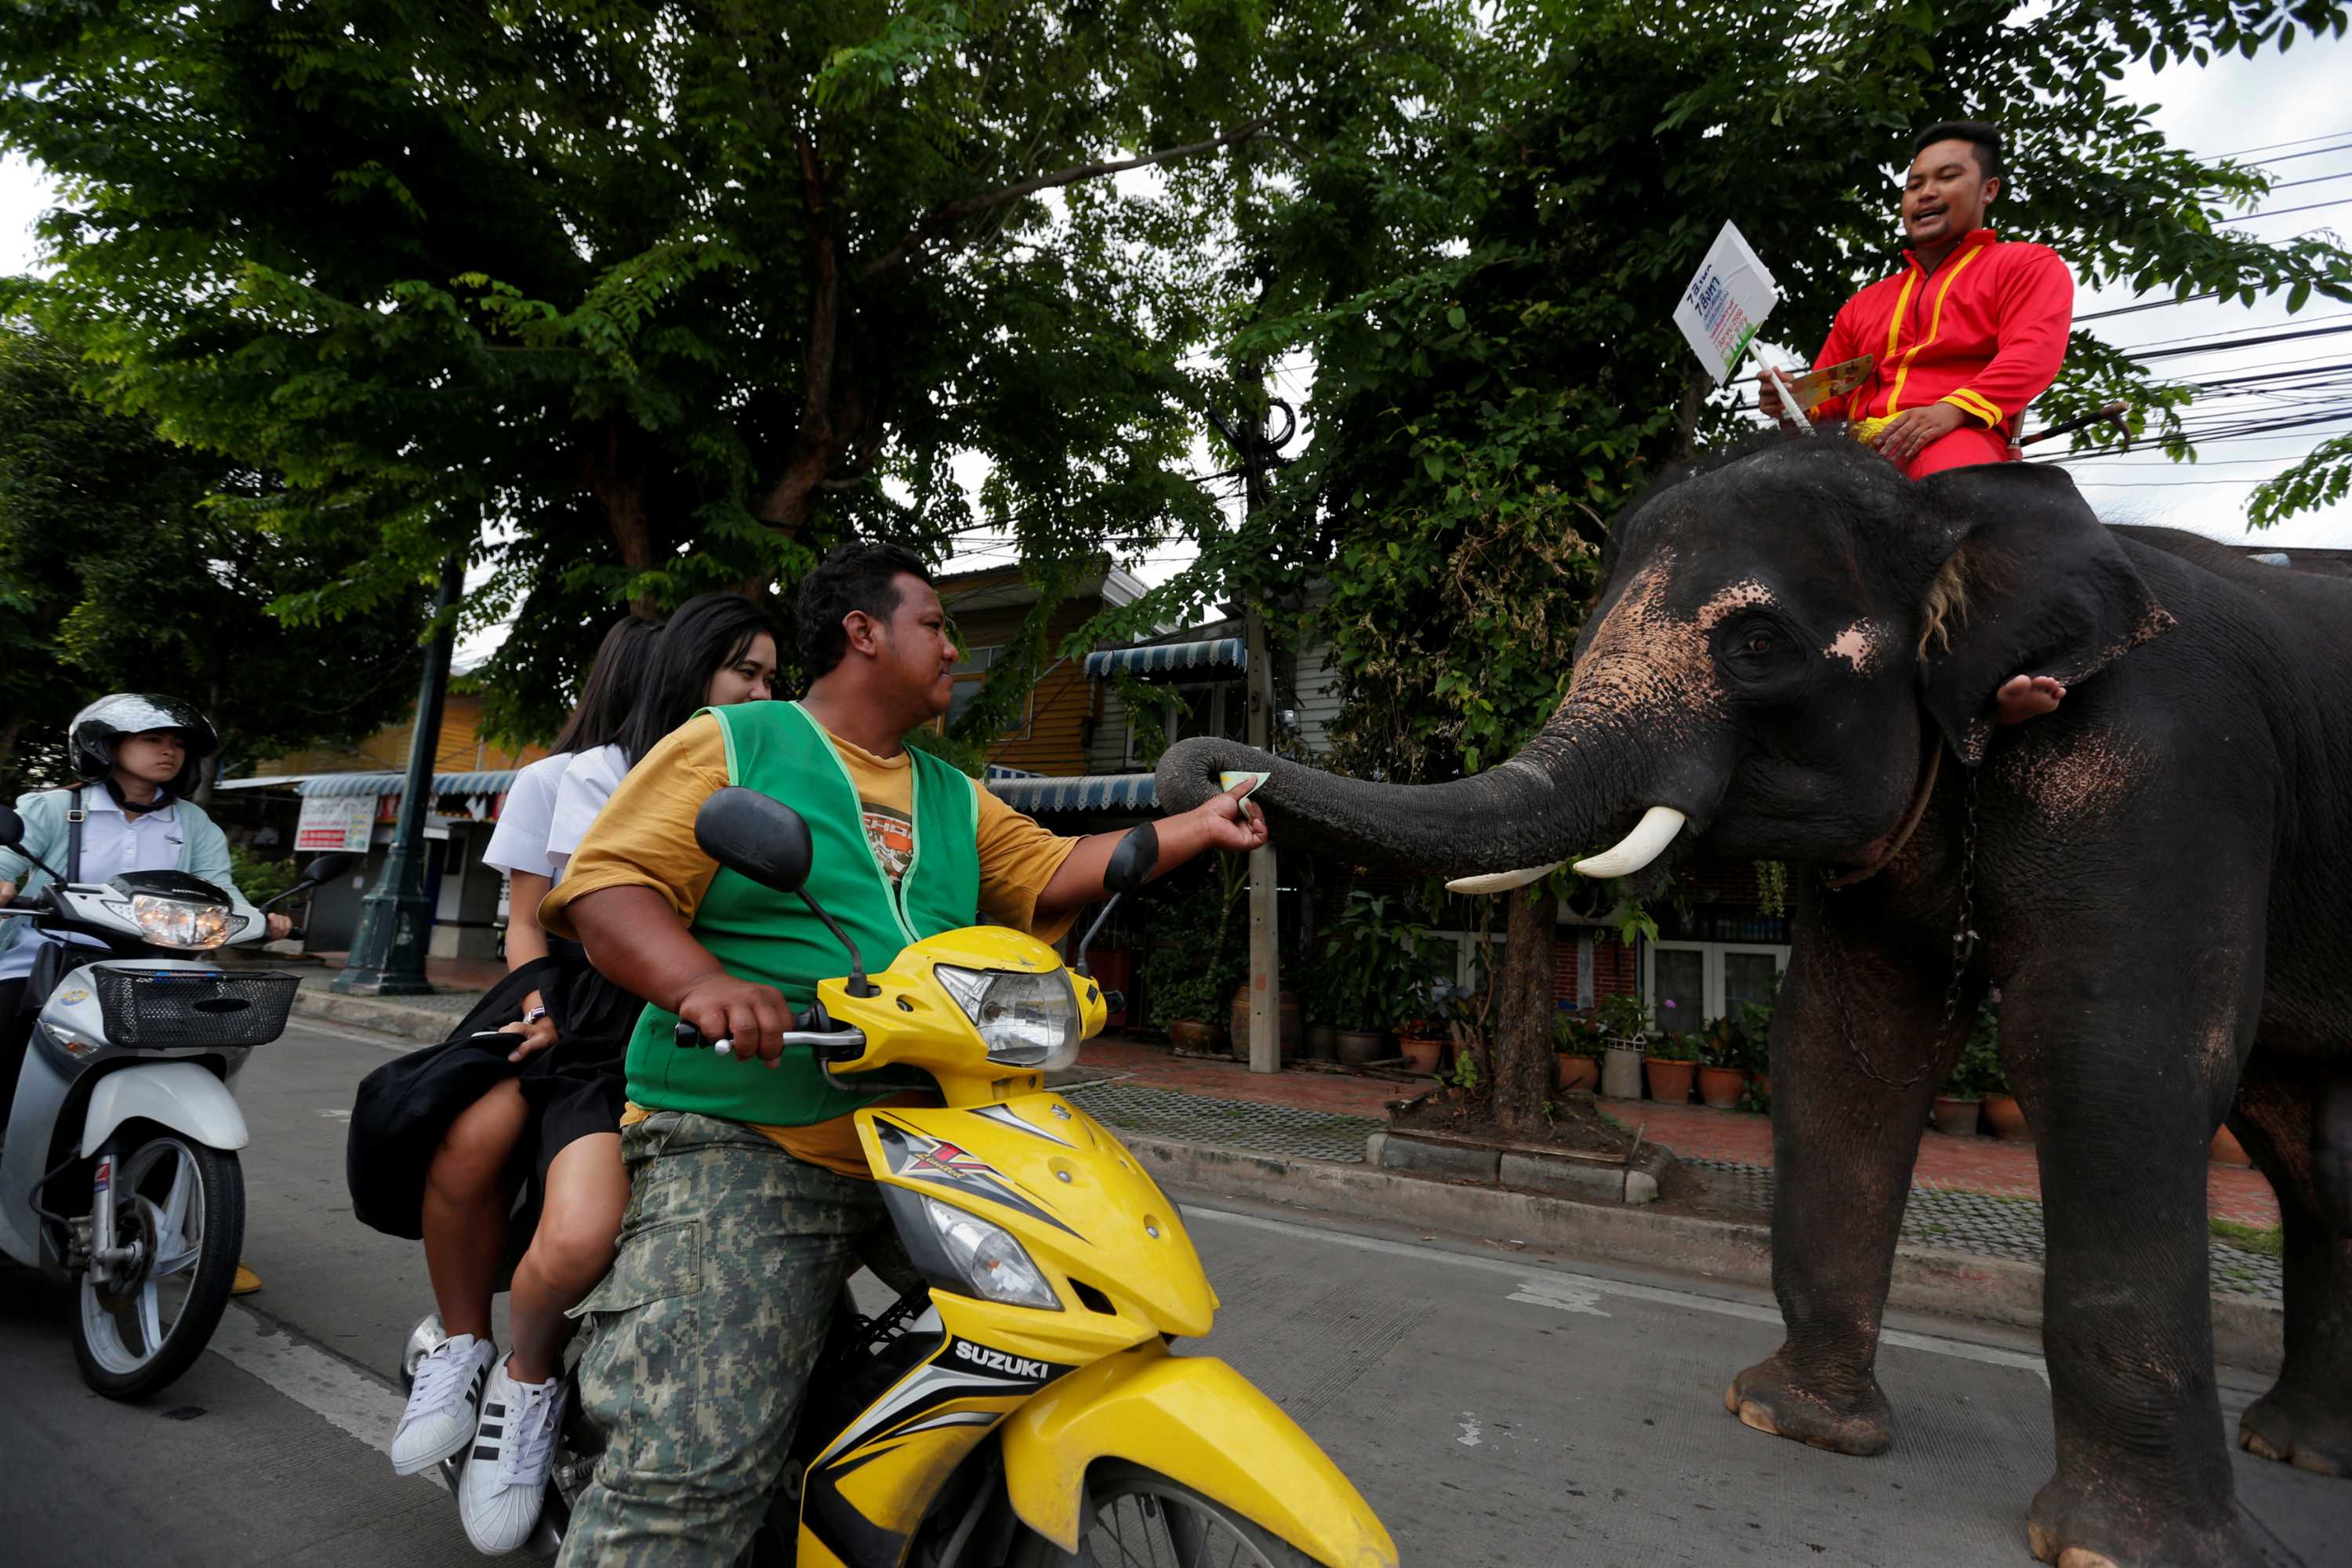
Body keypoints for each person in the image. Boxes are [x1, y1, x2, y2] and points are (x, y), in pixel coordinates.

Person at [538, 543, 1267, 1566]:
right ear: (862, 630)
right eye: (935, 624)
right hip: (744, 1135)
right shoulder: (737, 742)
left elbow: (1062, 871)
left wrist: (1195, 825)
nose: (955, 650)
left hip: (925, 1137)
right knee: (689, 1476)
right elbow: (609, 888)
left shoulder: (950, 793)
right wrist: (703, 985)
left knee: (1072, 1332)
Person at [373, 596, 782, 1557]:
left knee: (593, 1225)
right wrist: (532, 1006)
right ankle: (483, 1359)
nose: (768, 691)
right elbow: (531, 915)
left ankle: (528, 1367)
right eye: (748, 672)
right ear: (681, 675)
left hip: (698, 1020)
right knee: (468, 1138)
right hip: (577, 1011)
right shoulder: (570, 776)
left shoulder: (765, 774)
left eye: (772, 675)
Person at [1758, 119, 2075, 724]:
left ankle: (1991, 673)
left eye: (1947, 177)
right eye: (1914, 183)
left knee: (1952, 475)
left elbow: (2032, 356)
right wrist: (1787, 402)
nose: (1924, 193)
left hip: (1960, 435)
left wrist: (1950, 410)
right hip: (1857, 454)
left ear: (1989, 190)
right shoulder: (1865, 304)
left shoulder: (2027, 267)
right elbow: (1822, 405)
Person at [1, 696, 291, 1294]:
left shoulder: (193, 824)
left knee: (200, 1069)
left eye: (178, 743)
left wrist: (259, 920)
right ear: (105, 746)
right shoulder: (55, 807)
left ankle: (195, 1233)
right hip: (43, 966)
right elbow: (7, 858)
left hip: (153, 974)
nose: (169, 751)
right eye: (153, 738)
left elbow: (222, 893)